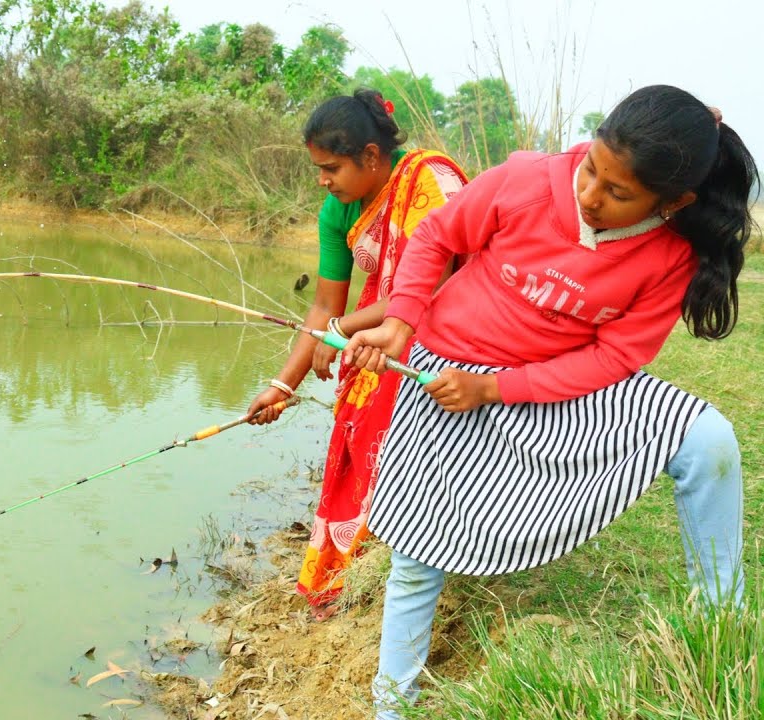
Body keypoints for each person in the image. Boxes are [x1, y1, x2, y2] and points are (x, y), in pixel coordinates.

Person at [340, 84, 756, 719]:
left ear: (674, 203)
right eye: (592, 169)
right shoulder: (526, 179)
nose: (590, 196)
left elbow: (616, 359)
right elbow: (435, 240)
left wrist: (499, 388)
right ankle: (391, 707)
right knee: (416, 561)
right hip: (446, 382)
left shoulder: (670, 255)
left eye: (618, 193)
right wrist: (401, 319)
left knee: (707, 438)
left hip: (547, 392)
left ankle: (722, 624)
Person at [246, 89, 468, 614]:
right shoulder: (336, 209)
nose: (322, 180)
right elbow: (325, 305)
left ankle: (415, 564)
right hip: (378, 337)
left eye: (331, 168)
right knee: (356, 434)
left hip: (450, 332)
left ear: (371, 156)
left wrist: (343, 330)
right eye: (318, 169)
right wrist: (282, 386)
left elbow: (435, 284)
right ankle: (358, 577)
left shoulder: (427, 180)